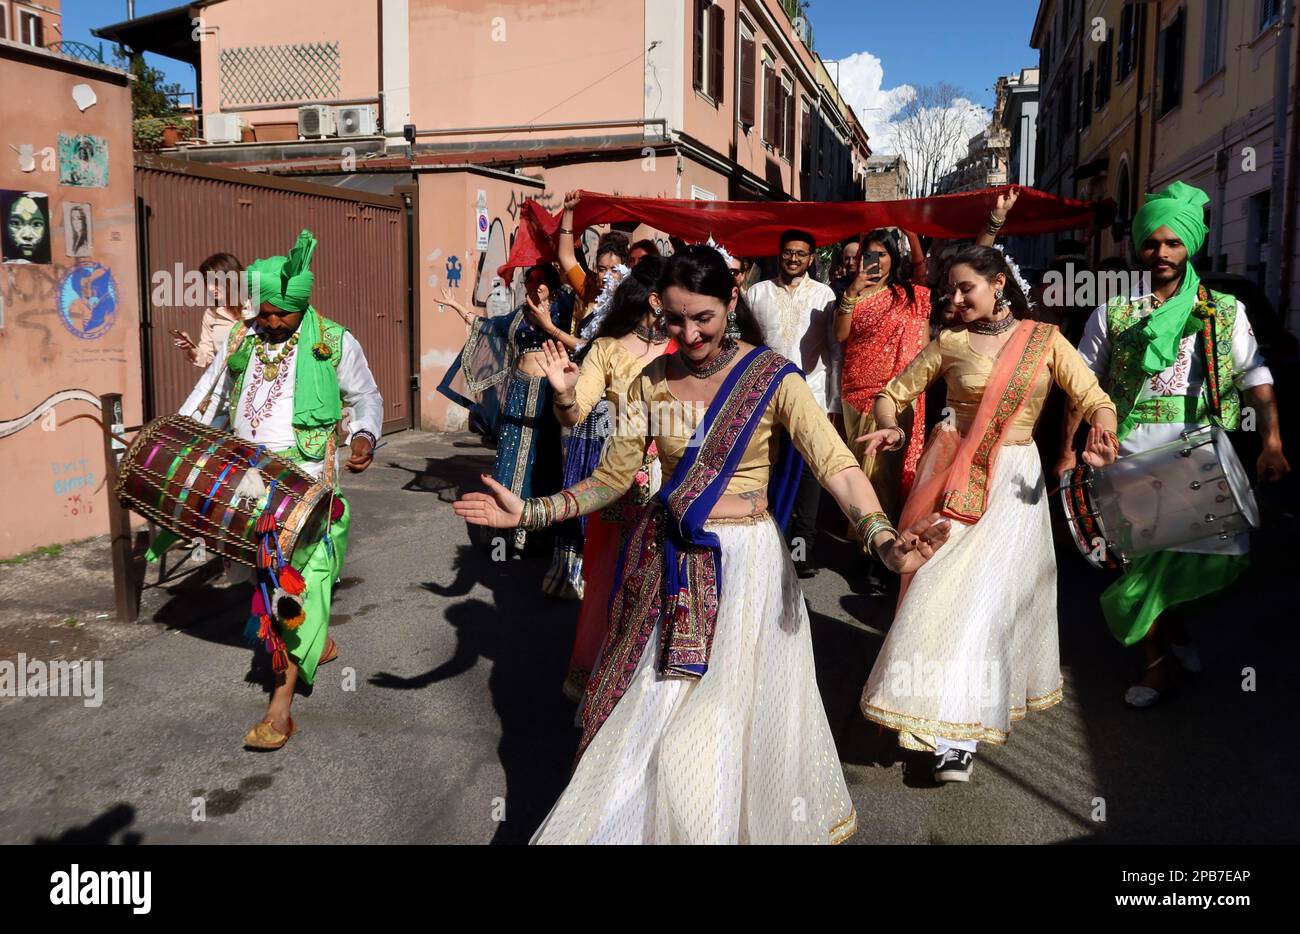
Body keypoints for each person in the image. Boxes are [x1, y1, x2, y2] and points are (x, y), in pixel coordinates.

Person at [453, 245, 951, 843]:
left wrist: (884, 541)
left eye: (704, 318)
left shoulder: (771, 379)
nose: (688, 333)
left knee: (722, 722)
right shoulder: (650, 382)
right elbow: (613, 480)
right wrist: (530, 512)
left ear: (732, 301)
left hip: (746, 569)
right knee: (649, 716)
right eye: (675, 318)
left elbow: (837, 467)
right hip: (668, 563)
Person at [858, 244, 1118, 783]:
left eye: (965, 288)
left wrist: (1104, 425)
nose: (954, 298)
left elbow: (1091, 393)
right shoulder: (948, 343)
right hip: (958, 478)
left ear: (998, 283)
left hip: (1015, 483)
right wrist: (890, 423)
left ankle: (958, 734)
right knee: (936, 590)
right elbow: (893, 393)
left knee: (989, 603)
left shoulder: (1043, 341)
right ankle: (926, 704)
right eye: (949, 289)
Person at [1059, 181, 1289, 707]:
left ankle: (1174, 629)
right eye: (1150, 244)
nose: (1160, 254)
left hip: (1200, 454)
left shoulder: (1222, 311)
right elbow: (1081, 382)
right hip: (1129, 455)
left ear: (1189, 246)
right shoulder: (1113, 313)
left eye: (1172, 243)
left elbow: (1256, 376)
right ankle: (1155, 666)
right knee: (1143, 562)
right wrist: (1068, 452)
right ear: (1137, 248)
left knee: (1207, 558)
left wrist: (1271, 441)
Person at [177, 230, 384, 749]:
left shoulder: (334, 340)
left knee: (298, 580)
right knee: (266, 579)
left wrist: (363, 436)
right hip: (250, 483)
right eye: (264, 312)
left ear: (303, 305)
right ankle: (314, 644)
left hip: (309, 483)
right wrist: (185, 443)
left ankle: (281, 704)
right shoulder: (242, 340)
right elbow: (213, 396)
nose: (270, 323)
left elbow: (366, 396)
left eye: (282, 315)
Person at [536, 256, 673, 700]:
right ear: (655, 298)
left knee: (672, 579)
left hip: (680, 480)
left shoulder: (689, 344)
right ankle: (607, 681)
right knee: (613, 579)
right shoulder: (608, 349)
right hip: (622, 478)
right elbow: (576, 414)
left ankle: (661, 683)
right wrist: (564, 393)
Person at [440, 265, 578, 555]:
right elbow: (487, 326)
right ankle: (504, 535)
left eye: (541, 281)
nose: (535, 285)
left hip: (546, 392)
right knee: (511, 454)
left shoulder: (564, 308)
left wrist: (549, 320)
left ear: (552, 285)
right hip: (518, 390)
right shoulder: (517, 315)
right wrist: (456, 307)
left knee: (543, 457)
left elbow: (579, 340)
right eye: (530, 280)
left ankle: (539, 531)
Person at [745, 229, 838, 578]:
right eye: (788, 253)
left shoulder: (824, 295)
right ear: (780, 254)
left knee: (810, 475)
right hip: (765, 395)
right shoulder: (757, 293)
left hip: (810, 394)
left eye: (801, 254)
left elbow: (833, 349)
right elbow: (749, 346)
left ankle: (802, 549)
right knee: (766, 467)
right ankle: (770, 540)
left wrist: (834, 403)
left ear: (811, 258)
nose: (794, 259)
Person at [173, 253, 248, 368]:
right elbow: (207, 358)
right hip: (227, 382)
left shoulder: (254, 307)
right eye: (207, 283)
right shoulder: (211, 314)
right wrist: (191, 347)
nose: (210, 288)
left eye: (216, 282)